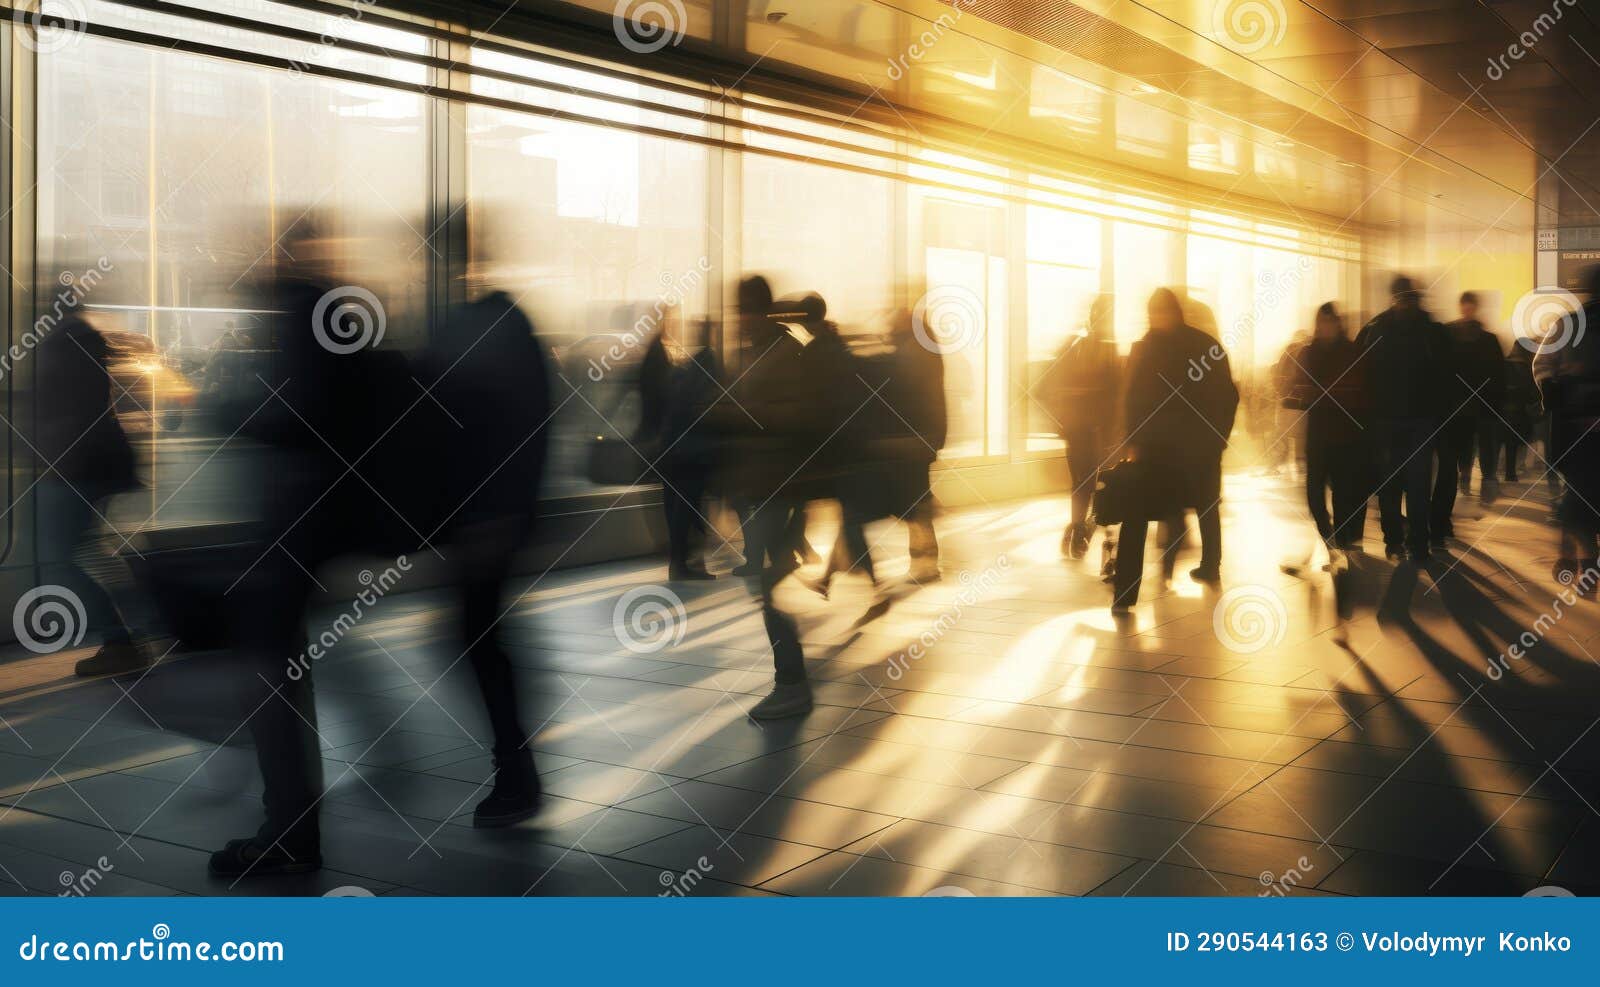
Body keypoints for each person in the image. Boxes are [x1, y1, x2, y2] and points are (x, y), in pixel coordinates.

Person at [422, 288, 553, 827]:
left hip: (487, 517)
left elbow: (485, 427)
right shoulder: (504, 330)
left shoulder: (488, 331)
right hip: (490, 515)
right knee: (480, 638)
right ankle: (516, 771)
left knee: (478, 638)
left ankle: (517, 773)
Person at [713, 276, 817, 719]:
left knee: (770, 586)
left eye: (744, 311)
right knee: (768, 584)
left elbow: (794, 418)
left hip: (781, 485)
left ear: (760, 312)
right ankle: (791, 680)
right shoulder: (759, 351)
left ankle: (791, 683)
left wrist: (738, 415)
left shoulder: (784, 354)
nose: (740, 320)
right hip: (765, 485)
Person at [35, 299, 151, 677]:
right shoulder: (77, 337)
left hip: (79, 467)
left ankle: (122, 642)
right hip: (91, 464)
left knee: (62, 557)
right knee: (89, 550)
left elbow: (68, 412)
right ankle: (136, 631)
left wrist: (56, 461)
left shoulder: (64, 340)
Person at [1111, 288, 1238, 611]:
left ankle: (1132, 589)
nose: (1157, 319)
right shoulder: (1202, 346)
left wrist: (1215, 439)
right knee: (1197, 506)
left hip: (1180, 448)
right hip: (1172, 449)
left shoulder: (1150, 348)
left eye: (1160, 312)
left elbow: (1132, 396)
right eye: (1153, 313)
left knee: (1150, 513)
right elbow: (1132, 397)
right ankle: (1132, 588)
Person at [1356, 275, 1448, 561]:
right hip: (1419, 419)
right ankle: (1416, 543)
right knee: (1416, 485)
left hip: (1390, 420)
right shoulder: (1430, 330)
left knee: (1392, 484)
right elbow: (1445, 375)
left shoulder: (1377, 330)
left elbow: (1363, 374)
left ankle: (1396, 541)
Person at [1533, 265, 1600, 587]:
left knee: (1577, 489)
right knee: (1584, 491)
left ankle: (1581, 557)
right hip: (1580, 423)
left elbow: (1542, 365)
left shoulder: (1568, 324)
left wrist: (1554, 392)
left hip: (1574, 423)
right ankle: (1584, 559)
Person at [1289, 303, 1368, 559]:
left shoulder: (1350, 352)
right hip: (1319, 433)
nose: (1326, 326)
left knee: (1342, 492)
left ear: (1337, 323)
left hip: (1343, 434)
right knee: (1314, 493)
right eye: (1323, 321)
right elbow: (1297, 385)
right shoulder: (1309, 353)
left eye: (1330, 321)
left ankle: (1340, 543)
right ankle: (1329, 535)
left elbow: (1360, 391)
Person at [1043, 295, 1118, 560]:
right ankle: (1082, 530)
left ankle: (1079, 529)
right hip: (1089, 428)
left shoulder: (1080, 348)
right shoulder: (1090, 349)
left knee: (1084, 482)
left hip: (1085, 428)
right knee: (1091, 482)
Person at [887, 302, 948, 582]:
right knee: (918, 499)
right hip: (923, 436)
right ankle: (925, 562)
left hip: (915, 437)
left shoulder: (912, 352)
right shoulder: (923, 348)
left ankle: (925, 563)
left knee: (916, 501)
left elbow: (903, 391)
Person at [1435, 291, 1505, 520]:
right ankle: (1476, 483)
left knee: (1468, 446)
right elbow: (1498, 374)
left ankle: (1466, 481)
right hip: (1476, 404)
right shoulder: (1487, 339)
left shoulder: (1450, 336)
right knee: (1479, 445)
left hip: (1463, 404)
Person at [1502, 337, 1538, 483]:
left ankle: (1508, 471)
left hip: (1506, 409)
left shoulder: (1505, 364)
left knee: (1508, 441)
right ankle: (1511, 471)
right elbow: (1533, 391)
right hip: (1520, 409)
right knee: (1515, 441)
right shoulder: (1530, 367)